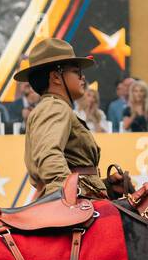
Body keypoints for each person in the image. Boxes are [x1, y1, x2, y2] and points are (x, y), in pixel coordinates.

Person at [16, 38, 114, 199]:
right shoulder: (55, 107)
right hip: (68, 205)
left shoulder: (54, 106)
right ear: (56, 77)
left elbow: (74, 170)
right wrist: (69, 196)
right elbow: (50, 158)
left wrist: (106, 186)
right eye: (77, 72)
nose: (83, 78)